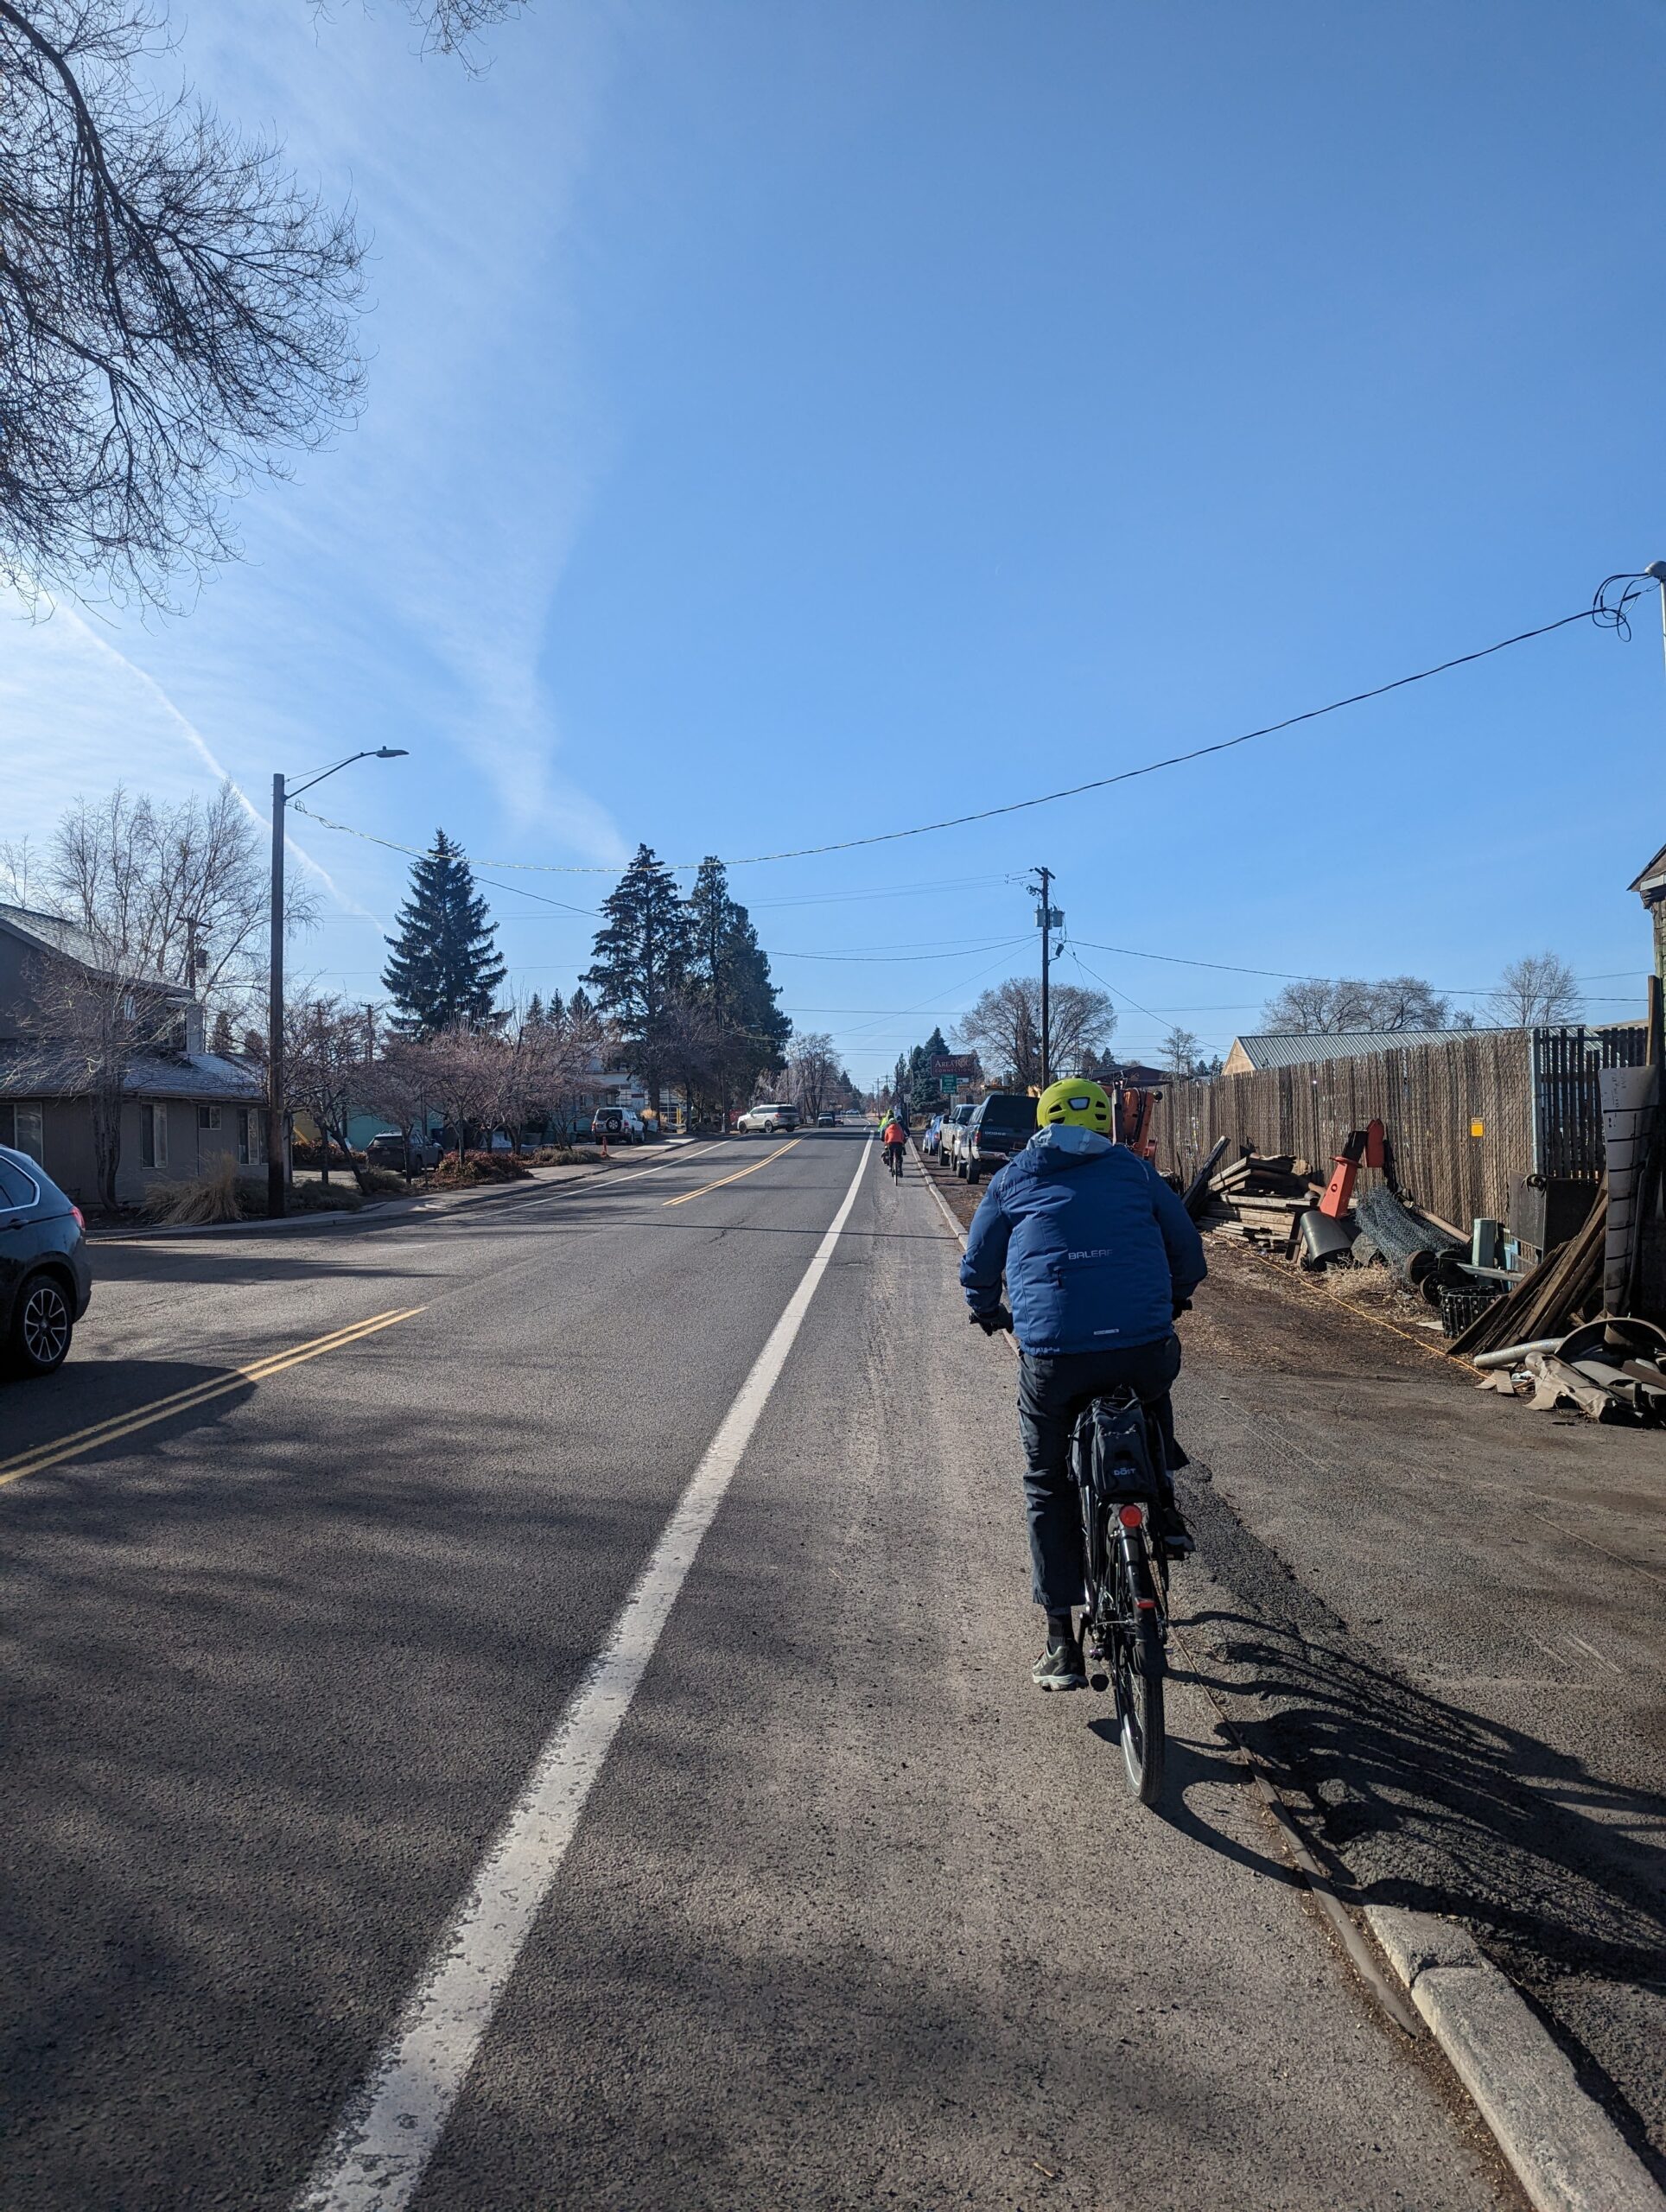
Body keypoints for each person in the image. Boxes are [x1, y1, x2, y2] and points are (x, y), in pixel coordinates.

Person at [958, 1077, 1206, 1692]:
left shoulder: (1014, 1177)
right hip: (1141, 1345)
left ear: (1041, 1123)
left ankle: (1060, 1642)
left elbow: (980, 1261)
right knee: (1151, 1386)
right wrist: (1174, 1297)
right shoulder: (1134, 1170)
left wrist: (987, 1309)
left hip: (1056, 1355)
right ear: (1105, 1125)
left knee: (1047, 1482)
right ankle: (1163, 1504)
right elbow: (1187, 1248)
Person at [881, 1108, 906, 1177]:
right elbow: (902, 1136)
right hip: (898, 1144)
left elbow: (886, 1138)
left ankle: (891, 1167)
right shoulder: (899, 1127)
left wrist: (886, 1144)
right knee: (899, 1157)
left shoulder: (888, 1128)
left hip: (891, 1144)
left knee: (891, 1156)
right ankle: (900, 1171)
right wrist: (903, 1142)